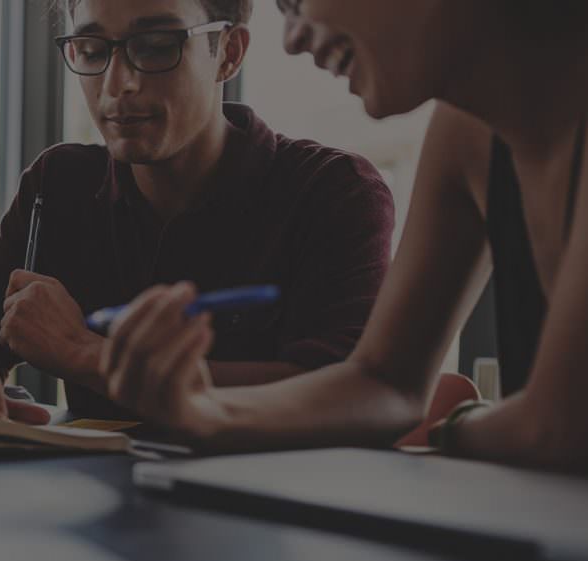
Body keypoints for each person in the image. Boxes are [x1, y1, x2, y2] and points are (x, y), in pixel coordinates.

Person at [103, 0, 588, 469]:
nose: (292, 40)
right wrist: (205, 412)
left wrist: (453, 426)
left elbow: (556, 428)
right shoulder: (466, 133)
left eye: (296, 2)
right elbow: (384, 382)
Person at [0, 0, 394, 423]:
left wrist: (89, 355)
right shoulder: (60, 184)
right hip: (92, 516)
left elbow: (343, 395)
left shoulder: (334, 193)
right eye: (92, 51)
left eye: (156, 46)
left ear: (230, 53)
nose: (118, 85)